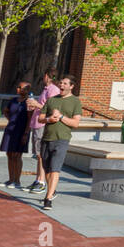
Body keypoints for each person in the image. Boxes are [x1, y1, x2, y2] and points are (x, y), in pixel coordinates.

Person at [40, 75, 83, 210]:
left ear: (71, 86)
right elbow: (40, 117)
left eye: (65, 84)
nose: (61, 85)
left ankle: (48, 199)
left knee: (55, 169)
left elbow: (76, 123)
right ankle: (52, 191)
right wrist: (49, 119)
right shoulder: (52, 100)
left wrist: (61, 117)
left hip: (62, 139)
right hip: (47, 138)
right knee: (47, 169)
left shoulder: (75, 102)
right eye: (61, 83)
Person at [24, 69, 59, 194]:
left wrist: (36, 104)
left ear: (47, 76)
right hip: (37, 123)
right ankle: (38, 179)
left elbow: (52, 109)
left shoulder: (53, 90)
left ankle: (42, 182)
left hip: (42, 124)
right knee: (38, 154)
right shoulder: (46, 89)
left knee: (41, 155)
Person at [0, 81, 32, 187]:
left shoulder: (29, 102)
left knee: (17, 155)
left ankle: (17, 181)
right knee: (9, 154)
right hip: (10, 129)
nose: (18, 89)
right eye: (17, 87)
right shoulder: (13, 101)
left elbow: (30, 119)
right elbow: (6, 111)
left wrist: (26, 133)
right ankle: (10, 179)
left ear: (27, 90)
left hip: (22, 131)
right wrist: (10, 119)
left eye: (20, 87)